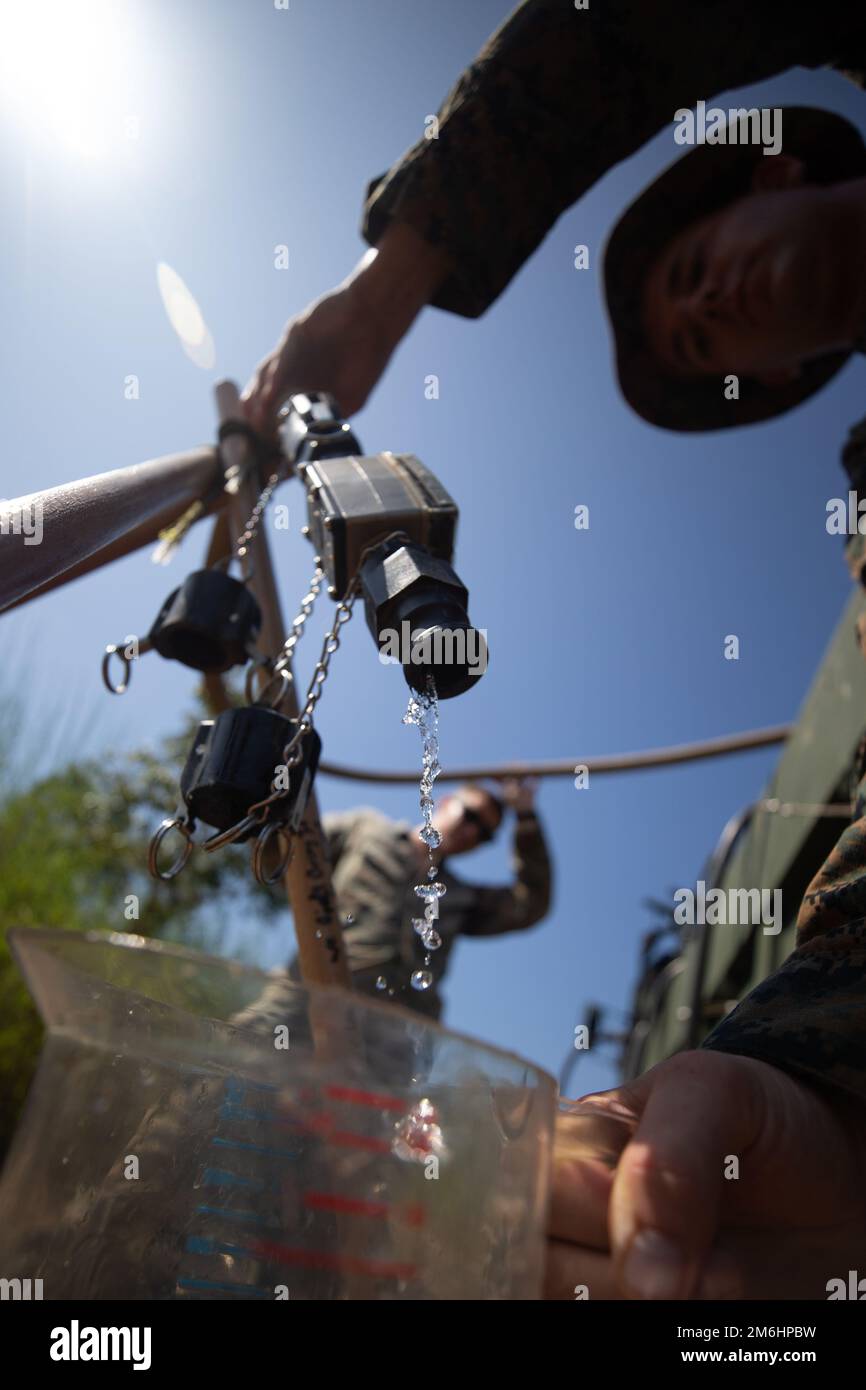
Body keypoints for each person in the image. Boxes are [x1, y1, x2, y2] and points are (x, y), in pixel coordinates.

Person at [240, 0, 866, 1298]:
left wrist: (393, 279)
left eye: (694, 283)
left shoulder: (453, 900)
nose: (713, 303)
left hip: (386, 1052)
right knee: (246, 1190)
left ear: (774, 170)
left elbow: (628, 29)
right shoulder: (364, 844)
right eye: (694, 328)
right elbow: (274, 845)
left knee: (345, 1229)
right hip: (298, 1033)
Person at [288, 779, 552, 1020]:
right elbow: (288, 843)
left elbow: (530, 903)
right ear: (447, 802)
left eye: (484, 835)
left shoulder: (461, 896)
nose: (472, 833)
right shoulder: (366, 831)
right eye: (470, 816)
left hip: (392, 1041)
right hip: (306, 995)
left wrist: (526, 815)